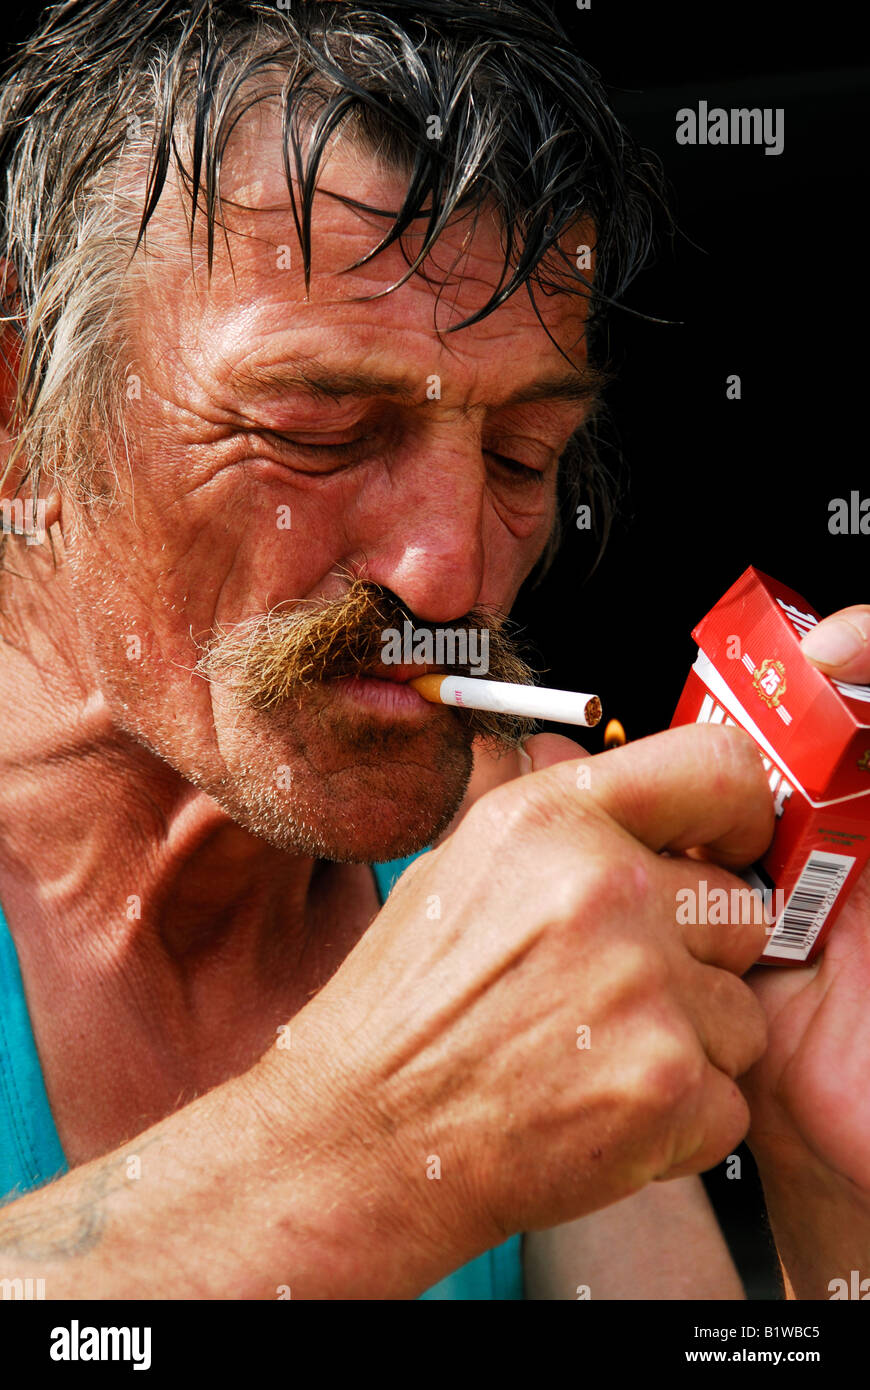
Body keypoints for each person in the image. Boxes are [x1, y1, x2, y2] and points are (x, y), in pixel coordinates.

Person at [0, 0, 867, 1301]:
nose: (448, 568)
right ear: (17, 417)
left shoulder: (489, 856)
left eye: (520, 455)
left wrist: (821, 1177)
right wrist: (374, 1142)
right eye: (318, 430)